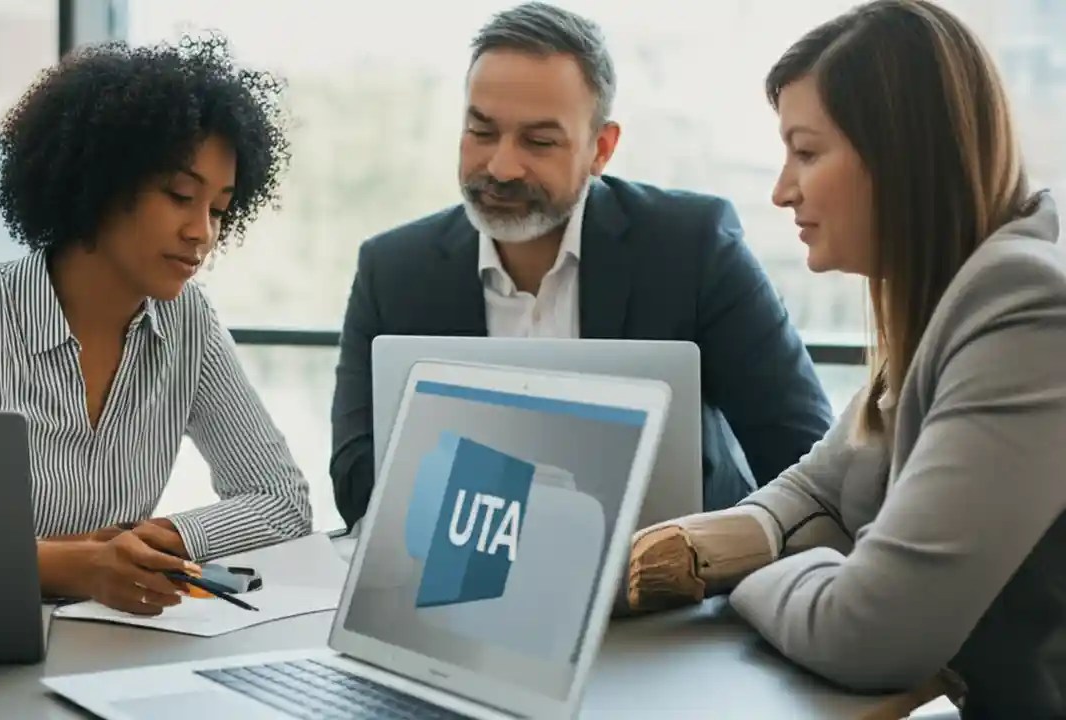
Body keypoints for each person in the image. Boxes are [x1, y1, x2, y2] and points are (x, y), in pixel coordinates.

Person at [624, 1, 1066, 716]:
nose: (781, 190)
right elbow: (822, 491)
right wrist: (684, 550)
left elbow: (873, 632)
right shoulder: (951, 301)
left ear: (900, 156)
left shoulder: (1022, 309)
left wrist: (742, 577)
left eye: (806, 152)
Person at [329, 1, 833, 529]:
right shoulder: (393, 272)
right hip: (468, 567)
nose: (501, 166)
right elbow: (357, 482)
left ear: (601, 149)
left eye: (538, 142)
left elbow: (804, 456)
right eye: (481, 132)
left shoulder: (693, 249)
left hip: (676, 570)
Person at [0, 35, 312, 617]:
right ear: (102, 183)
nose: (202, 233)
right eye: (180, 195)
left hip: (113, 635)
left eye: (217, 209)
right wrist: (72, 564)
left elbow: (282, 501)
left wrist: (154, 542)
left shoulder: (189, 323)